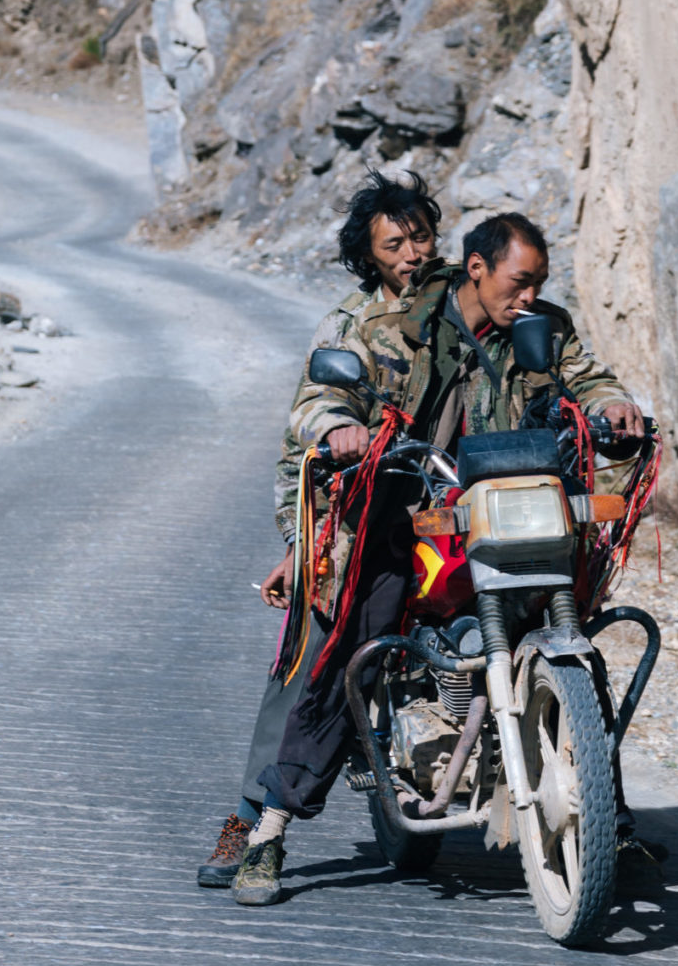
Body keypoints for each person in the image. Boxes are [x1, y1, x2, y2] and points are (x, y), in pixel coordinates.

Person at [231, 210, 644, 906]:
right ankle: (267, 831)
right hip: (406, 506)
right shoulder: (391, 326)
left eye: (538, 283)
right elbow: (321, 398)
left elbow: (589, 379)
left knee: (572, 637)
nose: (528, 297)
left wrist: (614, 406)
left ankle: (608, 824)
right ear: (476, 269)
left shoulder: (544, 327)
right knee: (354, 646)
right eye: (519, 282)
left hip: (510, 503)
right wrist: (339, 428)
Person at [195, 170, 441, 887]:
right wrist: (337, 431)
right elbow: (309, 412)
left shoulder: (463, 300)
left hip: (462, 503)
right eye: (394, 244)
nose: (411, 252)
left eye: (420, 235)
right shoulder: (347, 324)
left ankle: (596, 814)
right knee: (310, 653)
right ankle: (249, 819)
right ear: (369, 257)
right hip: (368, 510)